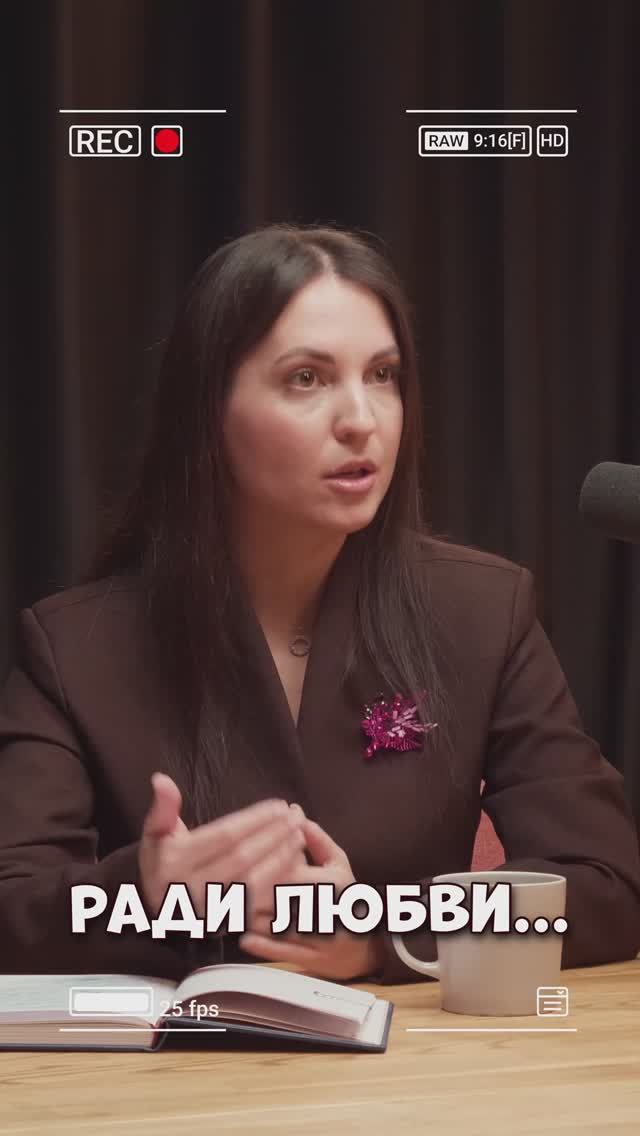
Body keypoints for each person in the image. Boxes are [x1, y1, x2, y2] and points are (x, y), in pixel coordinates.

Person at [1, 221, 639, 986]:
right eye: (306, 379)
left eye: (383, 375)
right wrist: (143, 894)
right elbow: (14, 908)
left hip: (415, 1057)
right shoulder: (77, 646)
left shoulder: (480, 610)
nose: (361, 420)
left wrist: (382, 930)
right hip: (180, 1054)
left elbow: (603, 884)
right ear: (208, 409)